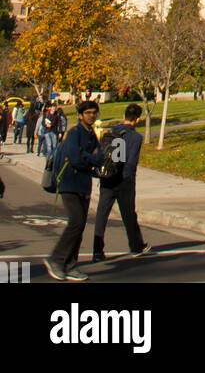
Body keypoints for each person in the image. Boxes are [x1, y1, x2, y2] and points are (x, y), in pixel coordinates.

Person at [44, 100, 104, 282]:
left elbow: (100, 156)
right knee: (76, 222)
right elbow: (75, 158)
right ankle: (56, 259)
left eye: (95, 112)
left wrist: (89, 157)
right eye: (88, 113)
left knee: (81, 225)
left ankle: (70, 265)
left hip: (84, 184)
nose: (92, 116)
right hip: (69, 183)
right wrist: (90, 158)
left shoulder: (92, 134)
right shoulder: (74, 133)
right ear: (80, 115)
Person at [92, 103, 150, 262]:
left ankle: (97, 251)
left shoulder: (109, 133)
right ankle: (135, 246)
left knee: (102, 214)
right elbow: (131, 162)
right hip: (124, 180)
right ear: (137, 119)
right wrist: (129, 178)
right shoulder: (136, 137)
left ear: (125, 116)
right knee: (129, 214)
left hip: (107, 178)